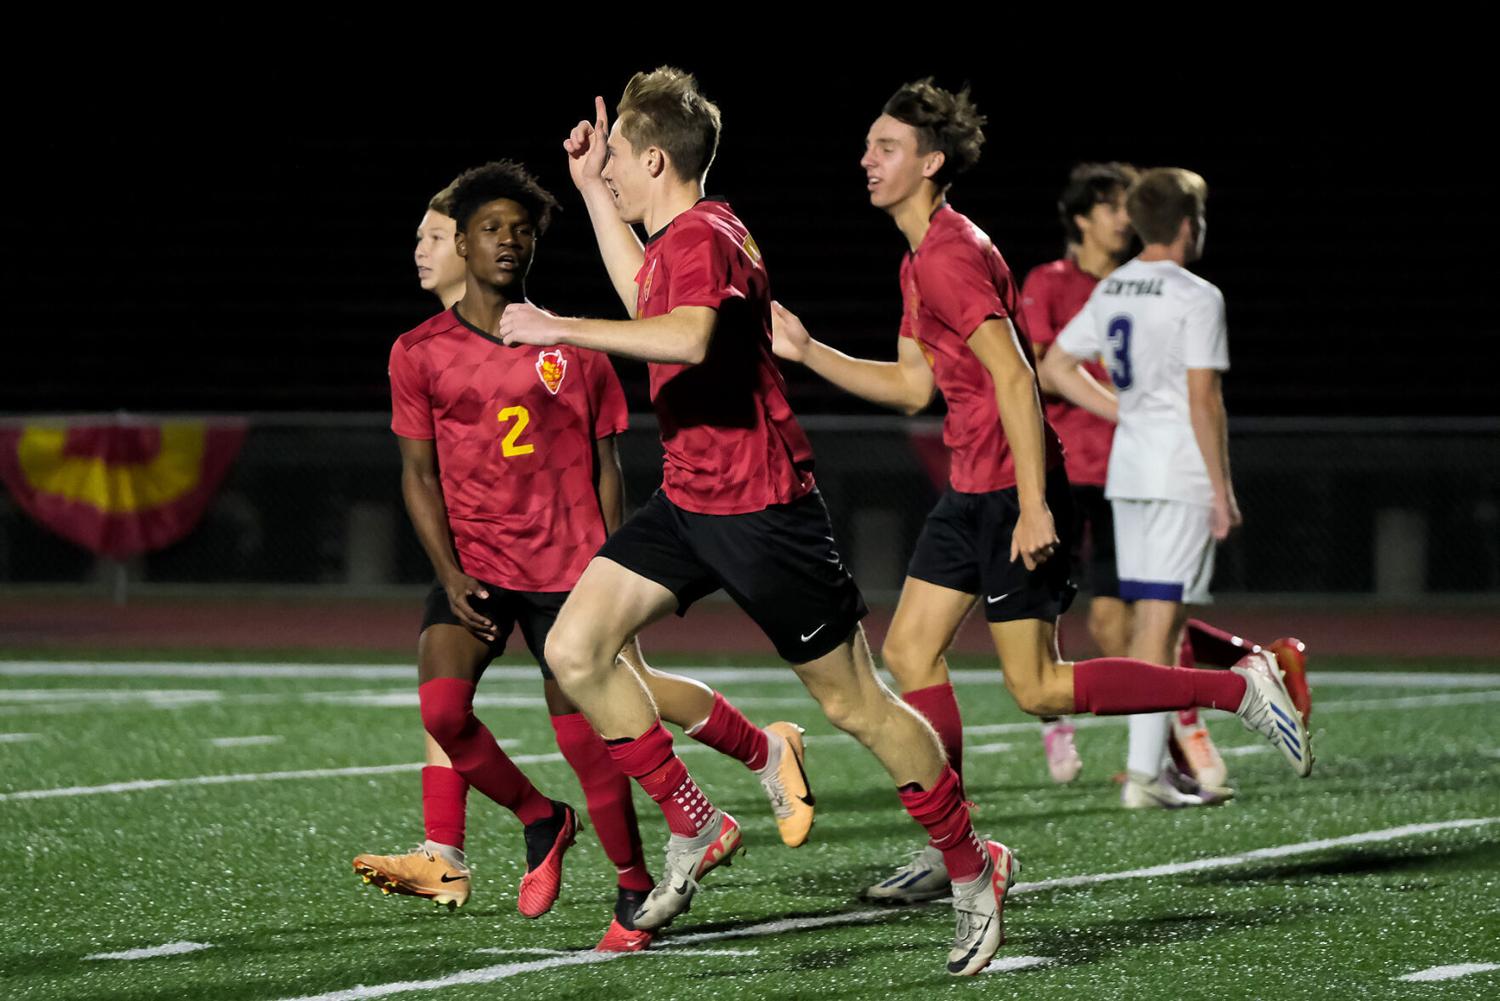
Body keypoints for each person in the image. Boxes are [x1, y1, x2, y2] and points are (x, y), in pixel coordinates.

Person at [498, 68, 1015, 977]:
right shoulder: (683, 235)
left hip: (764, 511)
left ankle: (974, 870)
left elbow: (687, 335)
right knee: (576, 649)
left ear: (654, 157)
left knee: (855, 703)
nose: (607, 166)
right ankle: (694, 823)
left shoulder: (702, 236)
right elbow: (645, 301)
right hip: (690, 500)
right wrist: (585, 192)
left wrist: (555, 327)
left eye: (614, 157)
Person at [770, 79, 1311, 904]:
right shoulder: (923, 255)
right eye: (869, 144)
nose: (866, 159)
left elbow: (1021, 382)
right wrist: (808, 351)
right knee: (910, 652)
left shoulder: (948, 255)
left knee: (1040, 688)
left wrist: (1032, 504)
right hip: (972, 485)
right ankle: (952, 843)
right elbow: (918, 386)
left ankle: (1240, 685)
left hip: (1009, 489)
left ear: (930, 162)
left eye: (885, 147)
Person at [353, 162, 814, 953]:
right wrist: (451, 571)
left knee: (591, 744)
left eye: (520, 229)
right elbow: (418, 475)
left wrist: (617, 577)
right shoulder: (416, 353)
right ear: (466, 242)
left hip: (569, 573)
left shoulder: (578, 349)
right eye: (489, 228)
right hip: (478, 573)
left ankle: (635, 887)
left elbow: (609, 470)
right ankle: (536, 820)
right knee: (440, 710)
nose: (507, 240)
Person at [1039, 166, 1311, 808]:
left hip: (1128, 471)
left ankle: (1148, 773)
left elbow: (1054, 365)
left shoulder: (1114, 286)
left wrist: (1122, 413)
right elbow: (1203, 398)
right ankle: (1145, 776)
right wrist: (1223, 489)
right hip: (1176, 470)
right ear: (1190, 224)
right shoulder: (1197, 294)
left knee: (1151, 626)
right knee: (1161, 623)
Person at [1020, 162, 1138, 784]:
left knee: (1124, 612)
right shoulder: (1049, 282)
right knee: (1041, 607)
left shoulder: (1145, 285)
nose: (1126, 218)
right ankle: (1054, 721)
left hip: (1130, 470)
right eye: (1115, 206)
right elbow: (1038, 369)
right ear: (1083, 217)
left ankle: (1151, 743)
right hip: (1063, 468)